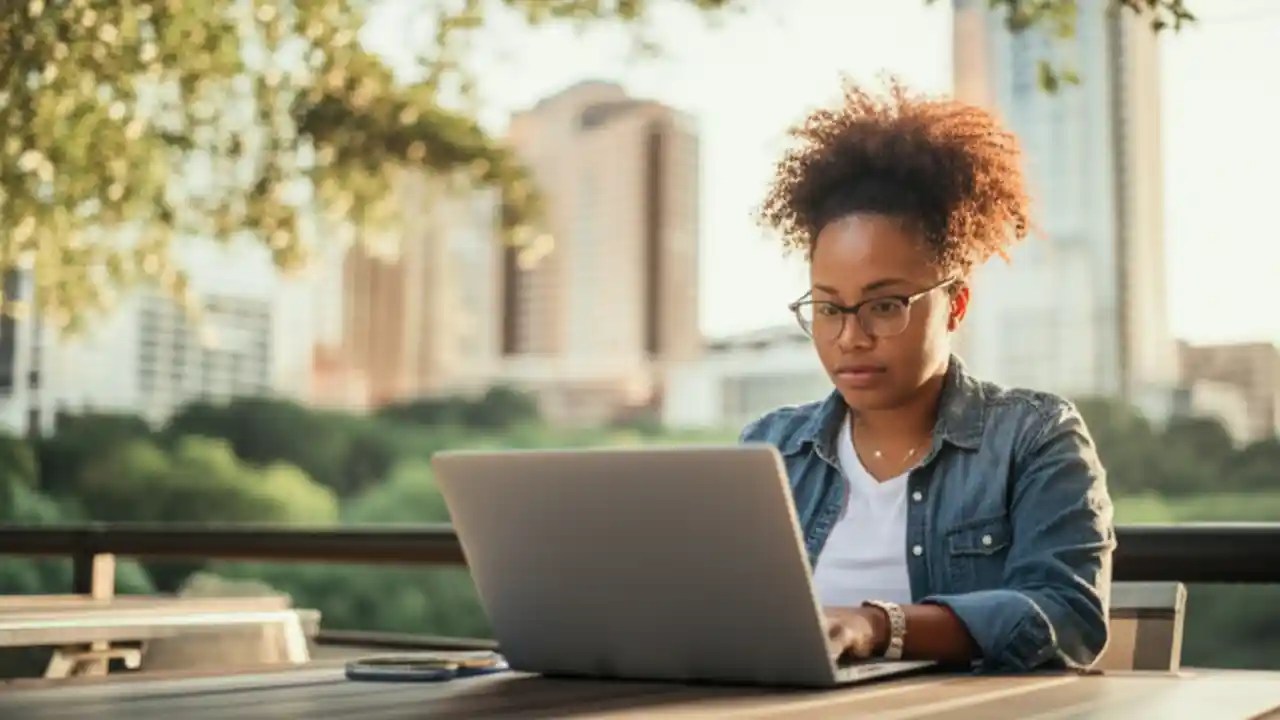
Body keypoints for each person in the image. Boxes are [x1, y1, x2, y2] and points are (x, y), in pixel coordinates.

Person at [742, 78, 1115, 673]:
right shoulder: (772, 449)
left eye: (885, 305)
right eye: (828, 307)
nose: (851, 336)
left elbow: (1066, 616)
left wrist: (875, 626)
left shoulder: (1033, 436)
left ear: (957, 304)